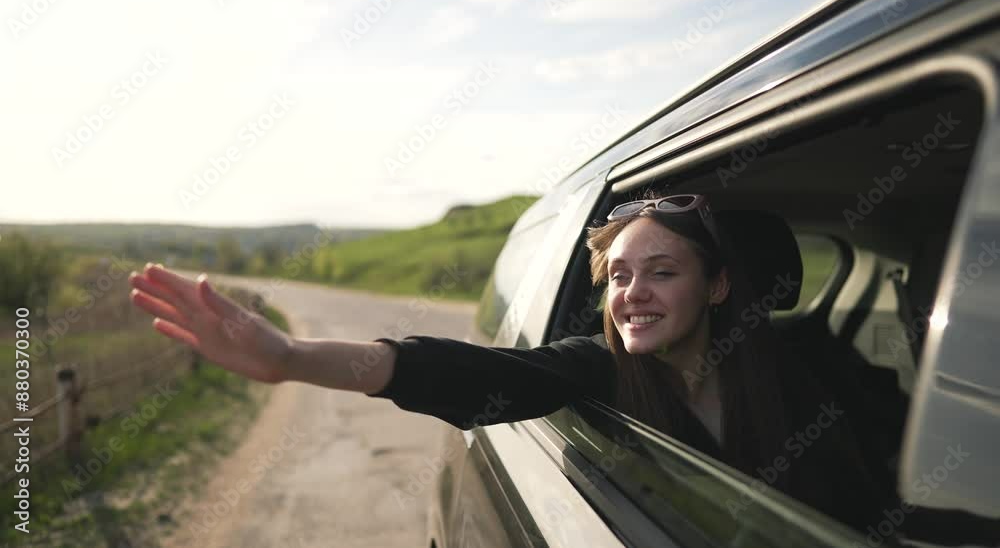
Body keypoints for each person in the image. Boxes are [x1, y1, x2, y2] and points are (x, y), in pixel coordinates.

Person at [126, 192, 898, 537]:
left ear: (718, 286)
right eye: (619, 276)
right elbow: (483, 377)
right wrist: (293, 357)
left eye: (662, 272)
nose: (632, 293)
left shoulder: (801, 373)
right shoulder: (598, 367)